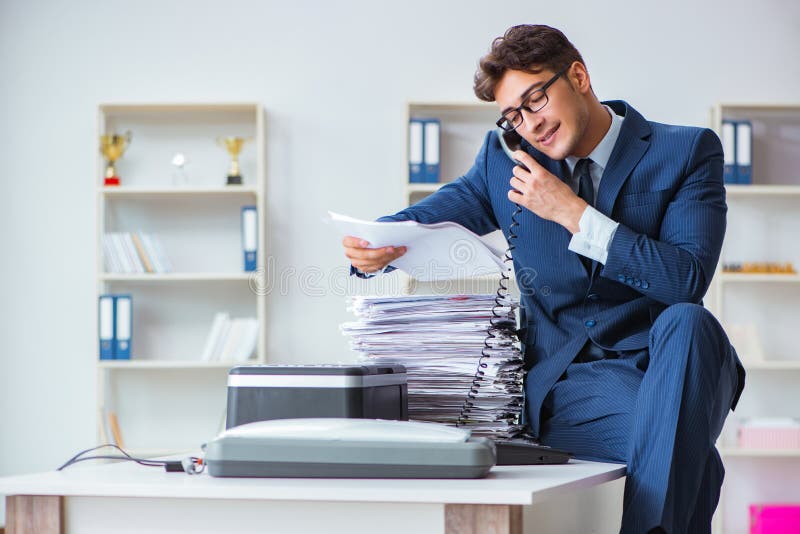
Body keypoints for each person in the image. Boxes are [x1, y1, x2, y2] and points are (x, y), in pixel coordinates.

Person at [342, 24, 744, 533]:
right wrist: (373, 246)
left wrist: (575, 214)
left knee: (689, 322)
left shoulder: (684, 152)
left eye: (535, 101)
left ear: (578, 76)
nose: (529, 125)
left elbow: (687, 279)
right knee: (691, 456)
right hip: (573, 382)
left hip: (678, 364)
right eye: (513, 115)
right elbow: (432, 217)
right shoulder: (505, 159)